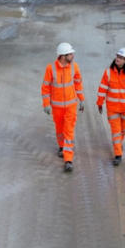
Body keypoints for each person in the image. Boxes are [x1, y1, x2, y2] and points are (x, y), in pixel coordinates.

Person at [42, 42, 85, 172]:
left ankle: (68, 159)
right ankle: (61, 147)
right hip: (57, 107)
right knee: (59, 129)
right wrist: (46, 104)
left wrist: (81, 100)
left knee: (68, 131)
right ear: (63, 56)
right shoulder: (51, 69)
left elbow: (78, 83)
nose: (73, 55)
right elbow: (45, 88)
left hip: (71, 106)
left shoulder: (74, 67)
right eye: (70, 54)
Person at [96, 48, 125, 166]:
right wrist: (100, 103)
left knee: (122, 131)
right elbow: (102, 89)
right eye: (117, 56)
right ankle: (118, 155)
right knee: (116, 132)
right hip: (112, 109)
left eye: (121, 58)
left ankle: (118, 145)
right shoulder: (108, 73)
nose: (118, 59)